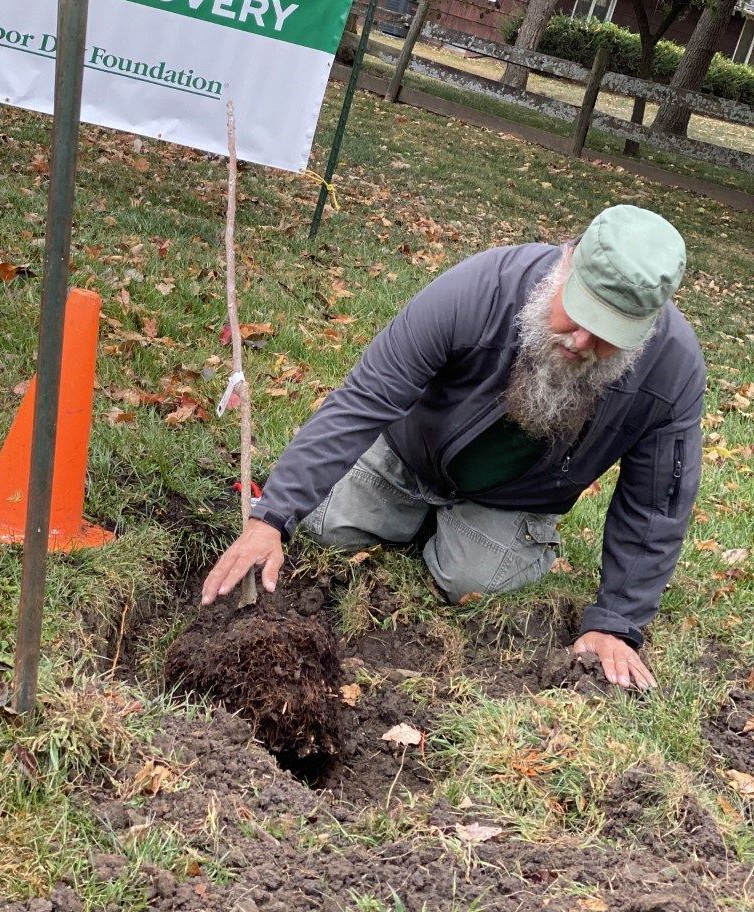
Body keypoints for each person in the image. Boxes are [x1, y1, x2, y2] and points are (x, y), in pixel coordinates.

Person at [202, 205, 705, 691]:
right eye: (579, 314)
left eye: (608, 336)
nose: (581, 340)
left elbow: (655, 503)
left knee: (469, 578)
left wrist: (617, 622)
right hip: (410, 457)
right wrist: (271, 516)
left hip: (514, 500)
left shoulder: (673, 371)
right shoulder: (482, 288)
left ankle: (460, 533)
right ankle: (408, 514)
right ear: (565, 265)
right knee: (326, 524)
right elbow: (366, 397)